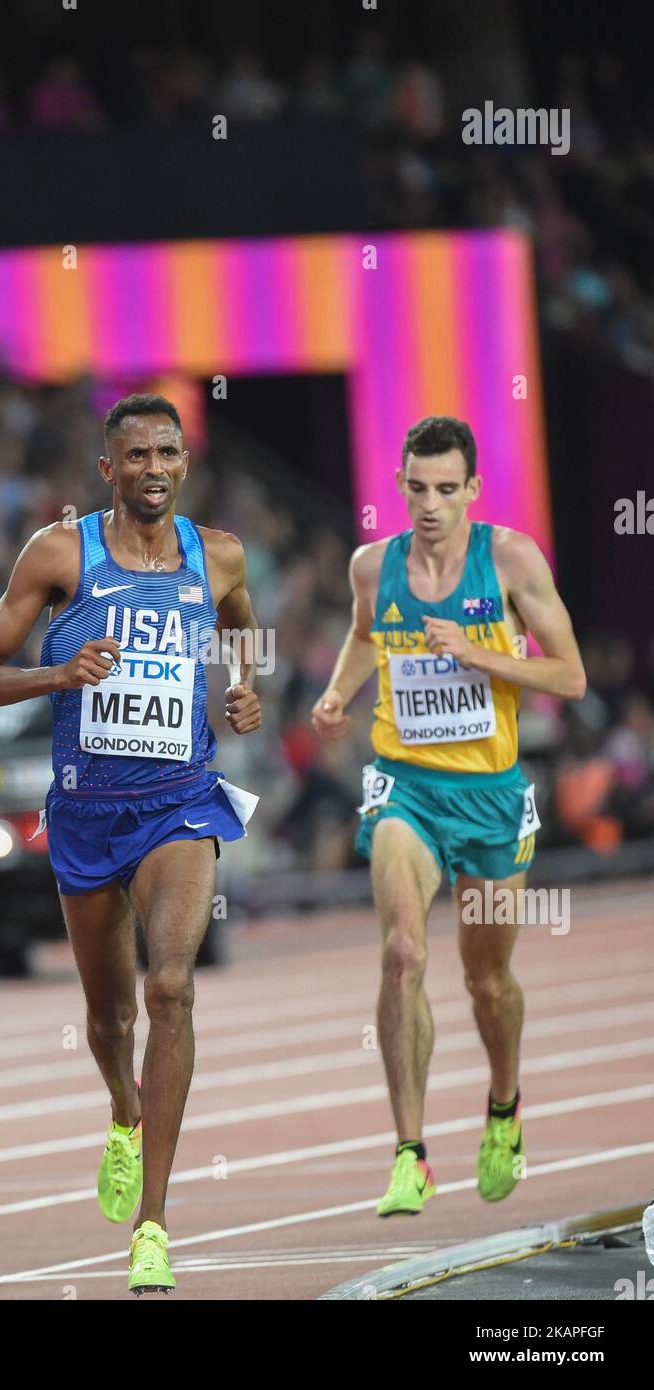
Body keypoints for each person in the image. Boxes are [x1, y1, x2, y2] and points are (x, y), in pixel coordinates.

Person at [0, 394, 261, 1291]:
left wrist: (246, 692)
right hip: (87, 817)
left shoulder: (221, 554)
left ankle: (154, 1225)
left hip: (181, 806)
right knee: (109, 1018)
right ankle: (123, 1112)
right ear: (108, 469)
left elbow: (246, 625)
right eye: (136, 456)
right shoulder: (60, 555)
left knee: (170, 987)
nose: (155, 468)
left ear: (183, 462)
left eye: (168, 452)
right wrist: (61, 670)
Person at [311, 415, 586, 1217]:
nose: (429, 505)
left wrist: (478, 653)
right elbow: (365, 637)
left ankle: (503, 1106)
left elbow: (567, 677)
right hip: (407, 785)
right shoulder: (372, 567)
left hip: (493, 798)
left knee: (485, 979)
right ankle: (410, 1153)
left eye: (445, 489)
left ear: (470, 490)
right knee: (401, 953)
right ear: (400, 487)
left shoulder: (509, 559)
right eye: (416, 488)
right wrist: (337, 692)